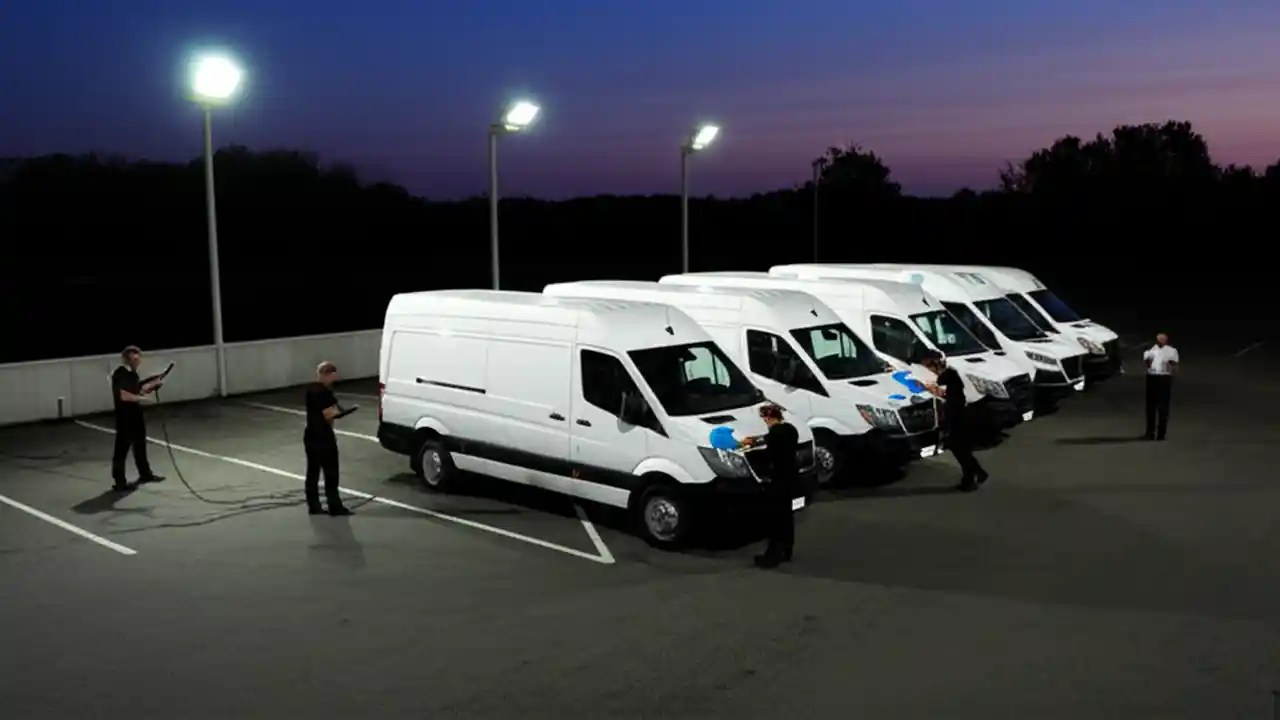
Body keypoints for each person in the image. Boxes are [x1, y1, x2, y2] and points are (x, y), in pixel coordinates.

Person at [741, 403, 800, 568]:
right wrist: (754, 441)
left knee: (776, 518)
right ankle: (787, 550)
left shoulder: (775, 435)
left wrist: (749, 452)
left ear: (767, 418)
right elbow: (768, 439)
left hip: (779, 480)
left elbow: (769, 453)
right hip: (792, 478)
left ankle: (773, 555)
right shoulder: (790, 430)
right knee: (787, 516)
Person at [921, 350, 988, 492]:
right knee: (962, 450)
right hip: (958, 416)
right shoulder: (949, 375)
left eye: (928, 365)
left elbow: (949, 396)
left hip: (958, 418)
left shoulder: (948, 377)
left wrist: (932, 389)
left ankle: (970, 479)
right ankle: (978, 473)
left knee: (960, 450)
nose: (927, 369)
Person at [111, 346, 166, 491]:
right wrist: (143, 399)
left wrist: (152, 385)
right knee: (121, 449)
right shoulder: (120, 373)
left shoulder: (132, 375)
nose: (137, 361)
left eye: (138, 358)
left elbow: (137, 389)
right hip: (125, 417)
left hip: (136, 415)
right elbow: (124, 395)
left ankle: (145, 473)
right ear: (127, 359)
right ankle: (119, 481)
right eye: (134, 359)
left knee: (140, 445)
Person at [305, 361, 356, 516]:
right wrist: (344, 412)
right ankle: (334, 505)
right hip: (323, 436)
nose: (334, 378)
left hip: (311, 435)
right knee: (331, 472)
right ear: (327, 374)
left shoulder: (312, 390)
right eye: (333, 375)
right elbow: (329, 414)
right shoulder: (322, 392)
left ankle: (314, 505)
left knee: (313, 472)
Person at [1142, 333, 1179, 440]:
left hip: (1164, 377)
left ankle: (1161, 433)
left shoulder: (1171, 351)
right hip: (1152, 377)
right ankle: (1150, 432)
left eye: (1163, 339)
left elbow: (1174, 364)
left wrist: (1171, 373)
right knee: (1151, 407)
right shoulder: (1150, 351)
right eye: (1159, 339)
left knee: (1163, 407)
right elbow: (1147, 362)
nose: (1161, 341)